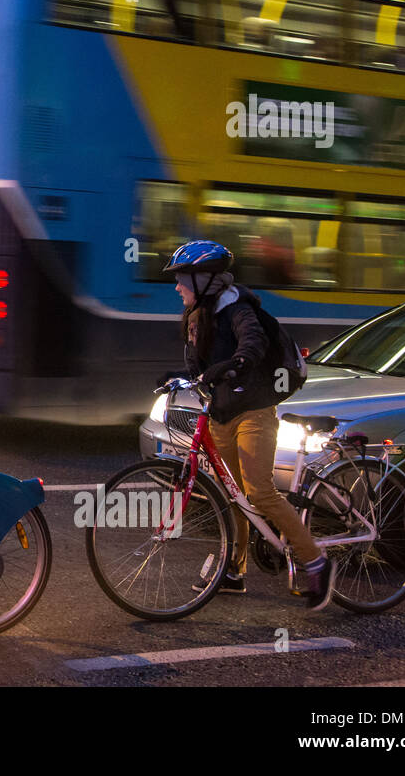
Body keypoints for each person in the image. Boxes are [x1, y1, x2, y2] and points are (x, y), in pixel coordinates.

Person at [160, 240, 333, 610]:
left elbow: (251, 344)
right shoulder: (198, 315)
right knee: (231, 495)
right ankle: (233, 571)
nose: (177, 287)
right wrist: (181, 378)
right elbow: (201, 365)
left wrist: (236, 364)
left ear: (204, 279)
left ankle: (316, 561)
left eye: (182, 280)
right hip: (221, 413)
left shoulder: (237, 308)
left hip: (253, 410)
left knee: (258, 491)